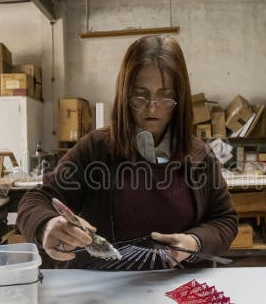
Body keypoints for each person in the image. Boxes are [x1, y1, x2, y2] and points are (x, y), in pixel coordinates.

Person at [17, 35, 237, 268]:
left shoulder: (199, 155)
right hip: (108, 290)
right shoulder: (96, 148)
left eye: (165, 96)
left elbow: (224, 220)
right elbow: (35, 200)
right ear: (124, 95)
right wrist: (47, 225)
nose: (152, 107)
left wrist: (194, 243)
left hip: (180, 286)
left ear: (180, 99)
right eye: (140, 96)